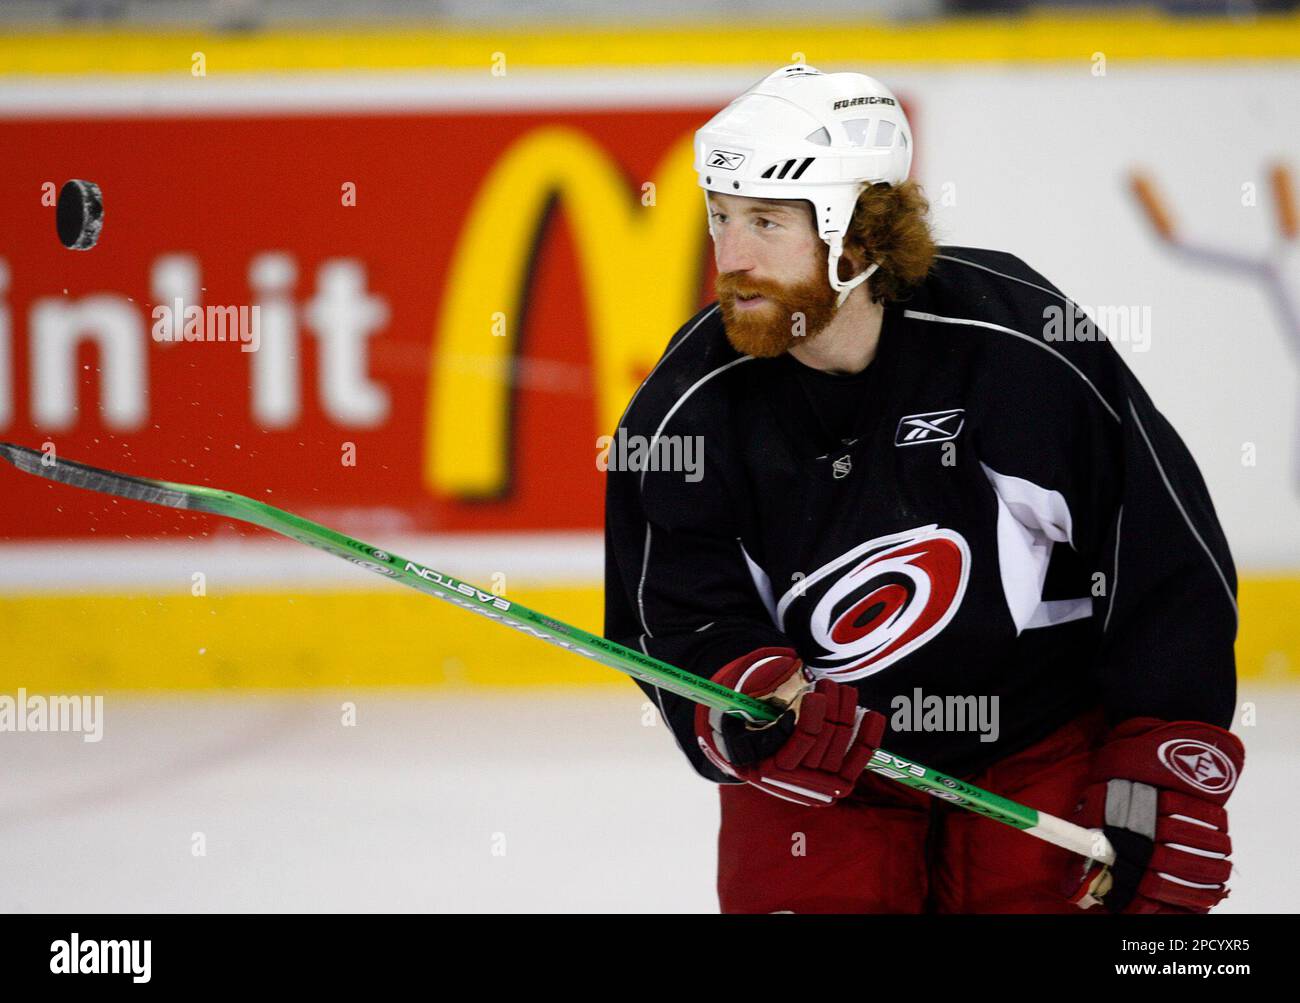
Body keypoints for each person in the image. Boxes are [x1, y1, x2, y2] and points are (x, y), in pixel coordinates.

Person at [602, 64, 1245, 914]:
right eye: (721, 218)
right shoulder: (687, 407)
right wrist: (748, 697)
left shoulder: (1014, 351)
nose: (733, 257)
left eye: (766, 219)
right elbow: (670, 610)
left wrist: (1153, 781)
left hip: (1040, 744)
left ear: (858, 236)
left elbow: (1159, 564)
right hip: (825, 767)